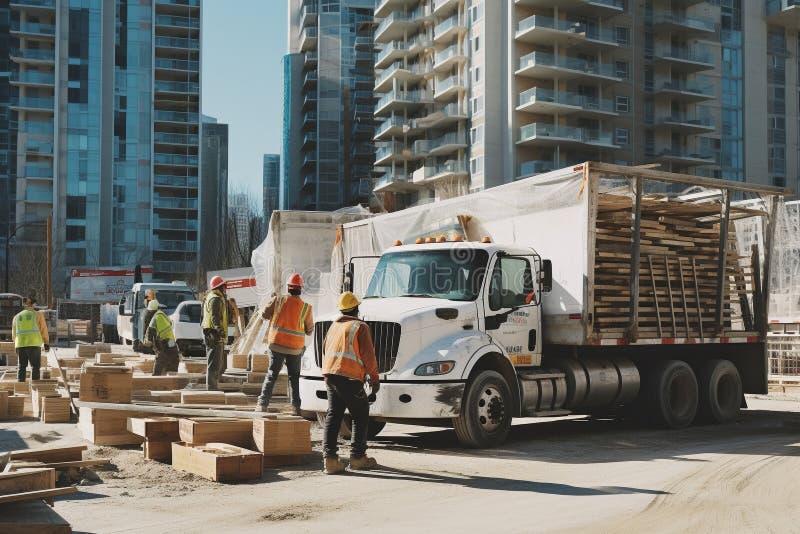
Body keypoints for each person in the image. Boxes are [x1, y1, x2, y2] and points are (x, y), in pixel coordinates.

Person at [321, 291, 380, 474]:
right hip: (350, 377)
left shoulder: (333, 326)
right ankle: (358, 457)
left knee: (334, 415)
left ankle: (330, 460)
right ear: (356, 308)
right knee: (360, 414)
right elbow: (369, 356)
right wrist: (375, 379)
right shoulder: (359, 326)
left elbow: (324, 349)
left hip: (331, 375)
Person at [255, 274, 314, 415]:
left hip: (276, 345)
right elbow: (310, 331)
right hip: (295, 349)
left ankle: (262, 405)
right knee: (294, 378)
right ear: (301, 289)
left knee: (271, 375)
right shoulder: (306, 307)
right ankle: (295, 408)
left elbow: (264, 315)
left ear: (288, 287)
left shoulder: (279, 300)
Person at [11, 296, 49, 383]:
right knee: (35, 367)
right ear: (34, 304)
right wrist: (46, 343)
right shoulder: (38, 315)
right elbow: (43, 329)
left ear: (24, 305)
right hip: (34, 344)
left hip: (20, 344)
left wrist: (16, 344)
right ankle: (35, 389)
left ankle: (20, 388)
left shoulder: (17, 316)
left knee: (21, 366)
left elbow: (14, 334)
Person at [202, 276, 228, 390]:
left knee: (217, 363)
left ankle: (213, 387)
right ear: (220, 287)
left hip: (210, 333)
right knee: (214, 364)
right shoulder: (215, 299)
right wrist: (220, 331)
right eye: (224, 286)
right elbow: (214, 317)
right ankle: (211, 390)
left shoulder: (210, 297)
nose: (225, 289)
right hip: (214, 334)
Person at [144, 300, 180, 376]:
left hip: (161, 341)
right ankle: (171, 376)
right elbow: (170, 324)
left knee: (161, 359)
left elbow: (150, 331)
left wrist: (150, 342)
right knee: (173, 358)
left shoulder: (155, 318)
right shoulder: (162, 315)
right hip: (170, 340)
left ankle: (157, 376)